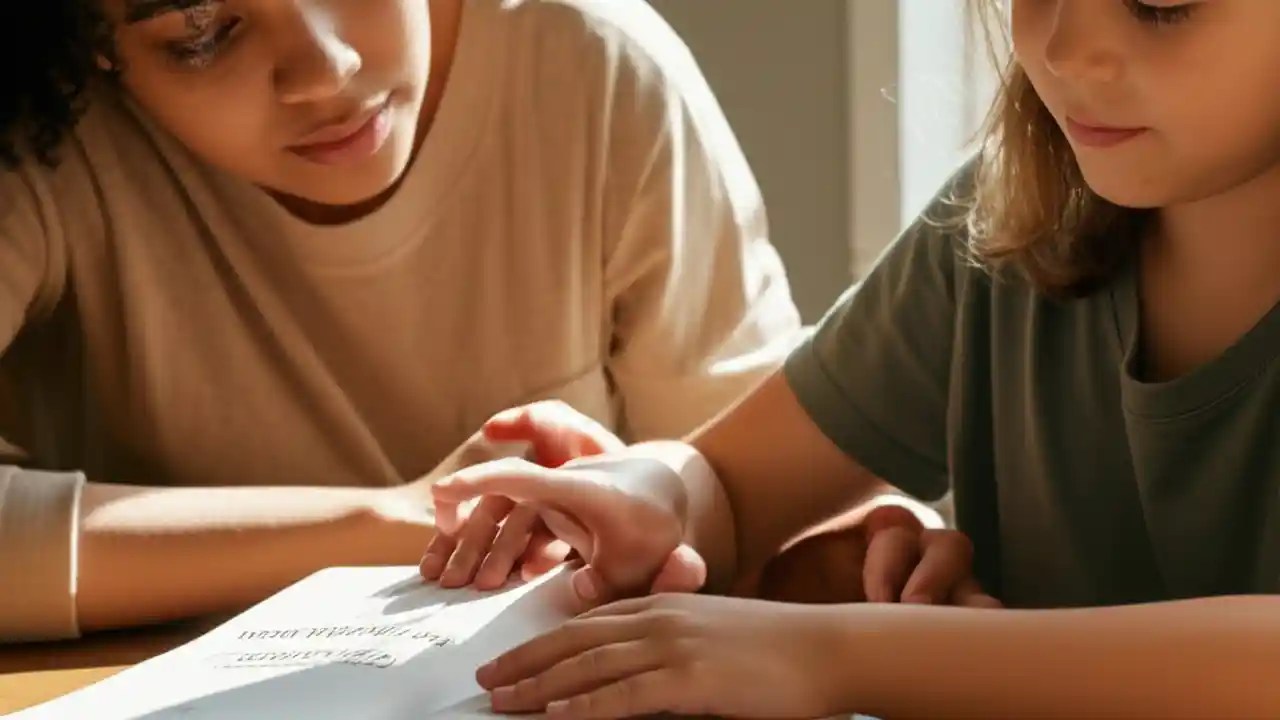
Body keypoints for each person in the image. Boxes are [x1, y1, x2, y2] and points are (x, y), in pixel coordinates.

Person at [429, 0, 1280, 717]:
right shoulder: (1006, 225)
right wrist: (647, 494)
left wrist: (838, 654)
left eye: (1163, 2)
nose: (1060, 48)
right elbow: (729, 485)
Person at [0, 0, 844, 643]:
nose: (325, 69)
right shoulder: (39, 134)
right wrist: (403, 525)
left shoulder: (589, 63)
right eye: (204, 31)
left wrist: (860, 551)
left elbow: (754, 486)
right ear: (94, 45)